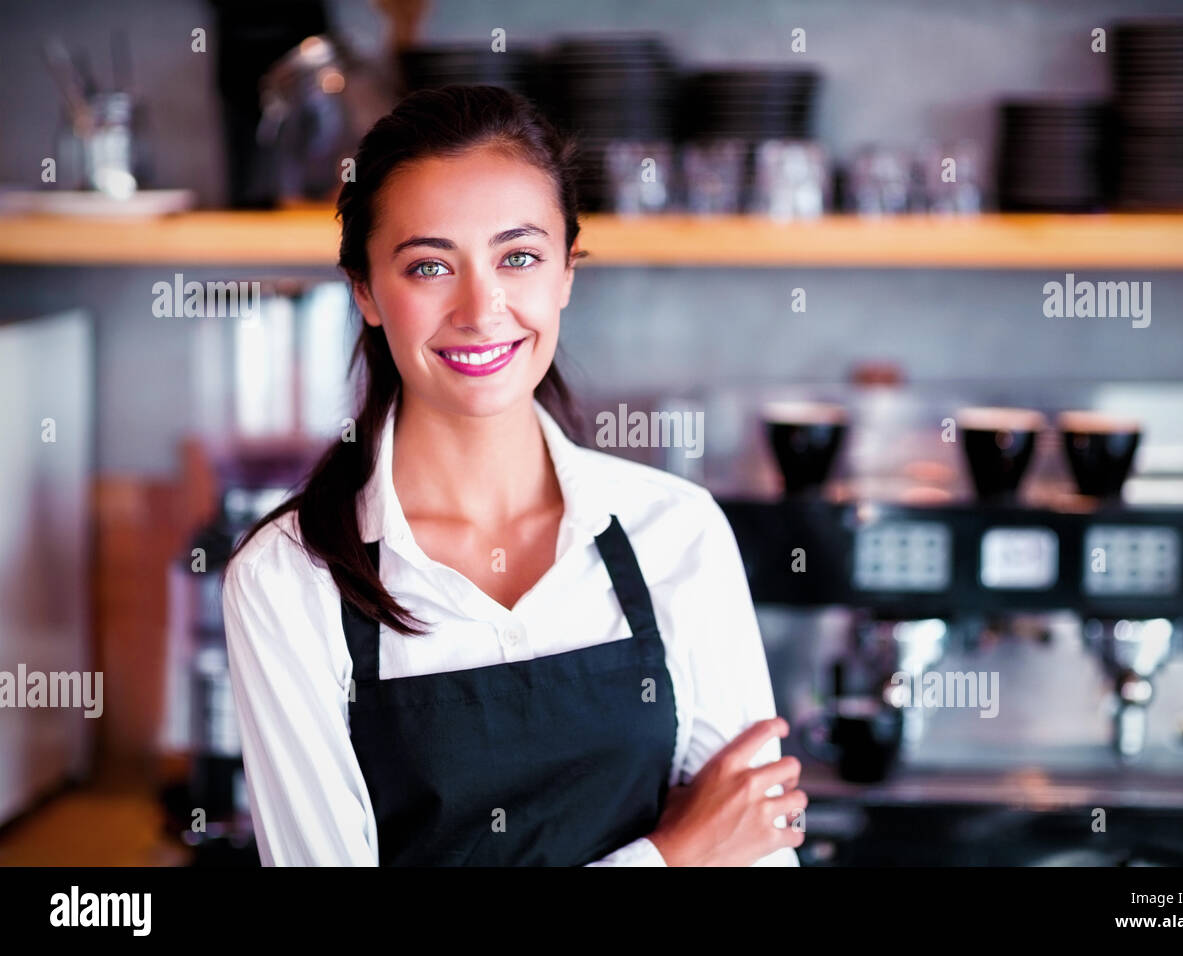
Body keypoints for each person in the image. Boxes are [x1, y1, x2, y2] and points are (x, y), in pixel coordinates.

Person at [220, 85, 806, 866]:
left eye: (519, 257)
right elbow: (713, 848)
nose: (481, 307)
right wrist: (671, 856)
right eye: (430, 266)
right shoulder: (291, 579)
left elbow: (753, 852)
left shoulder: (677, 531)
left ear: (568, 271)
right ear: (364, 289)